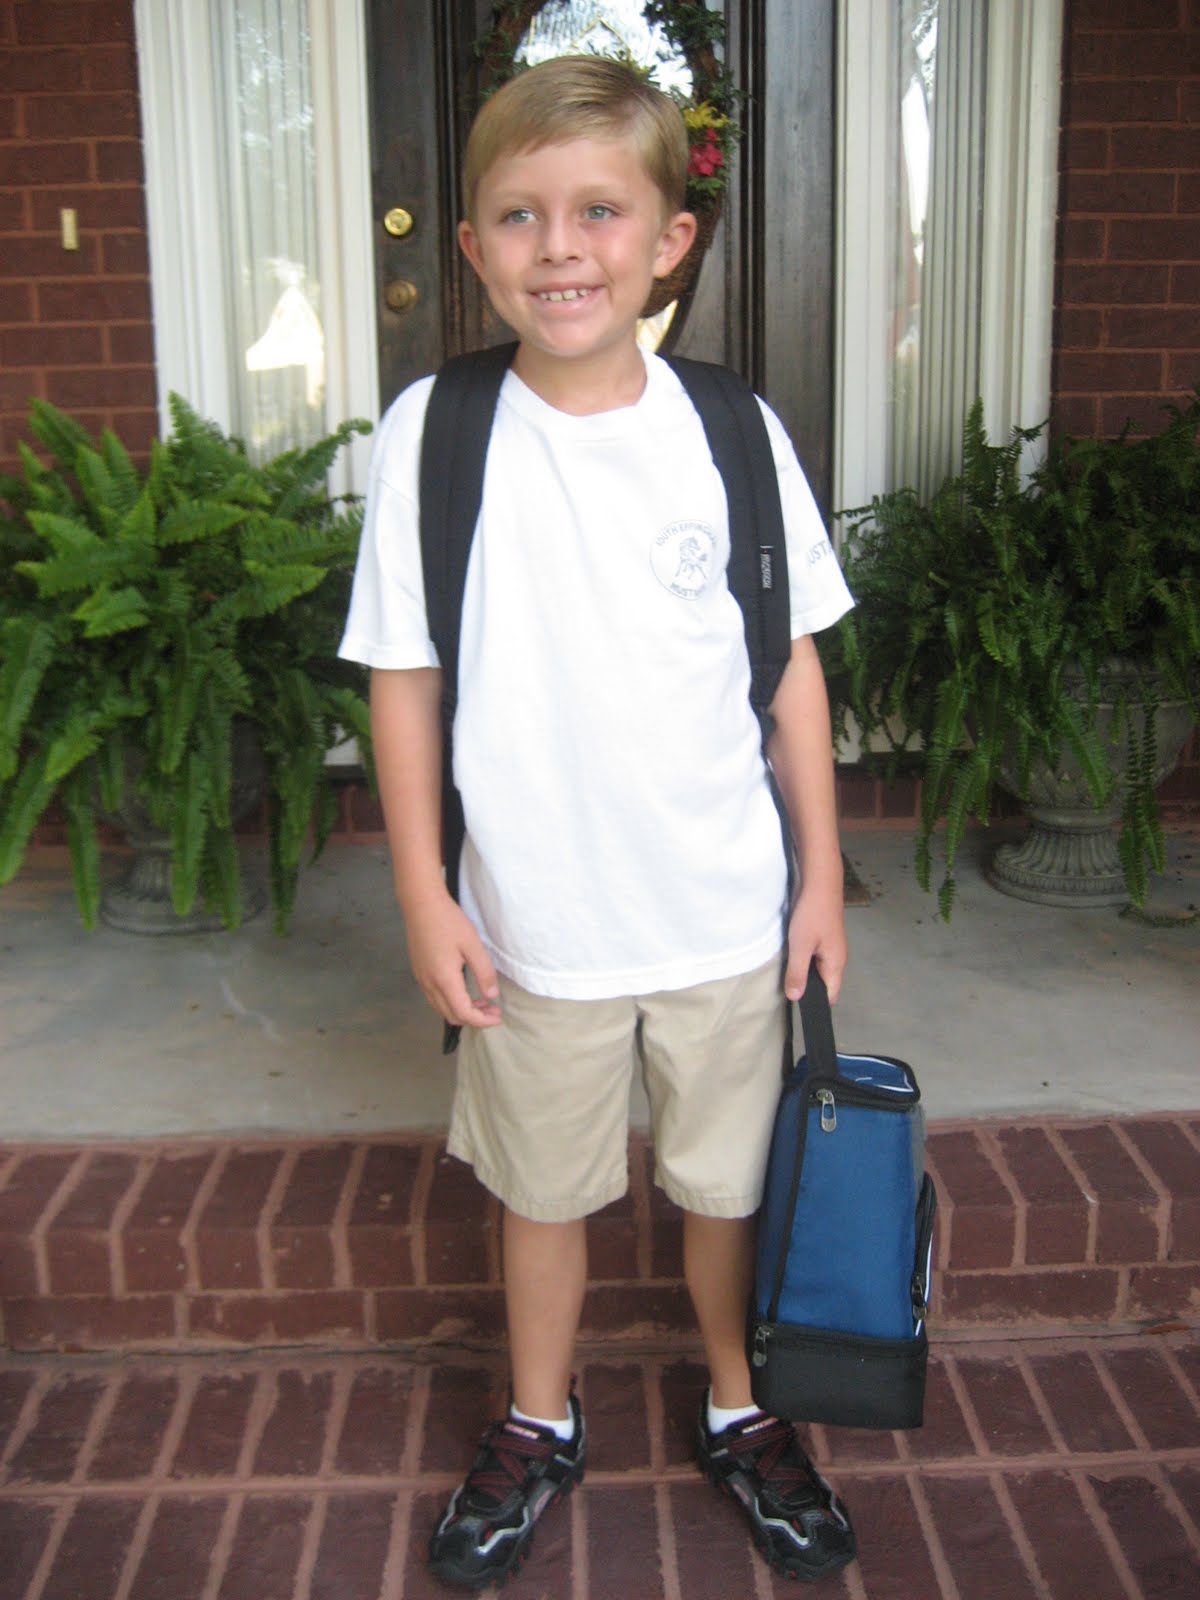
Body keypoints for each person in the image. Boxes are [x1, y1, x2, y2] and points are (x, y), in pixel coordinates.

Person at [339, 55, 857, 1590]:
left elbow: (793, 681)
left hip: (719, 913)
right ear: (475, 249)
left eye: (597, 212)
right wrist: (427, 900)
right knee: (541, 1190)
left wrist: (822, 880)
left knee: (726, 1186)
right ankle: (538, 1414)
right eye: (519, 215)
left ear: (667, 239)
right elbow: (407, 683)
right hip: (534, 922)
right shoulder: (438, 436)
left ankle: (741, 1403)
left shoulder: (729, 431)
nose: (559, 247)